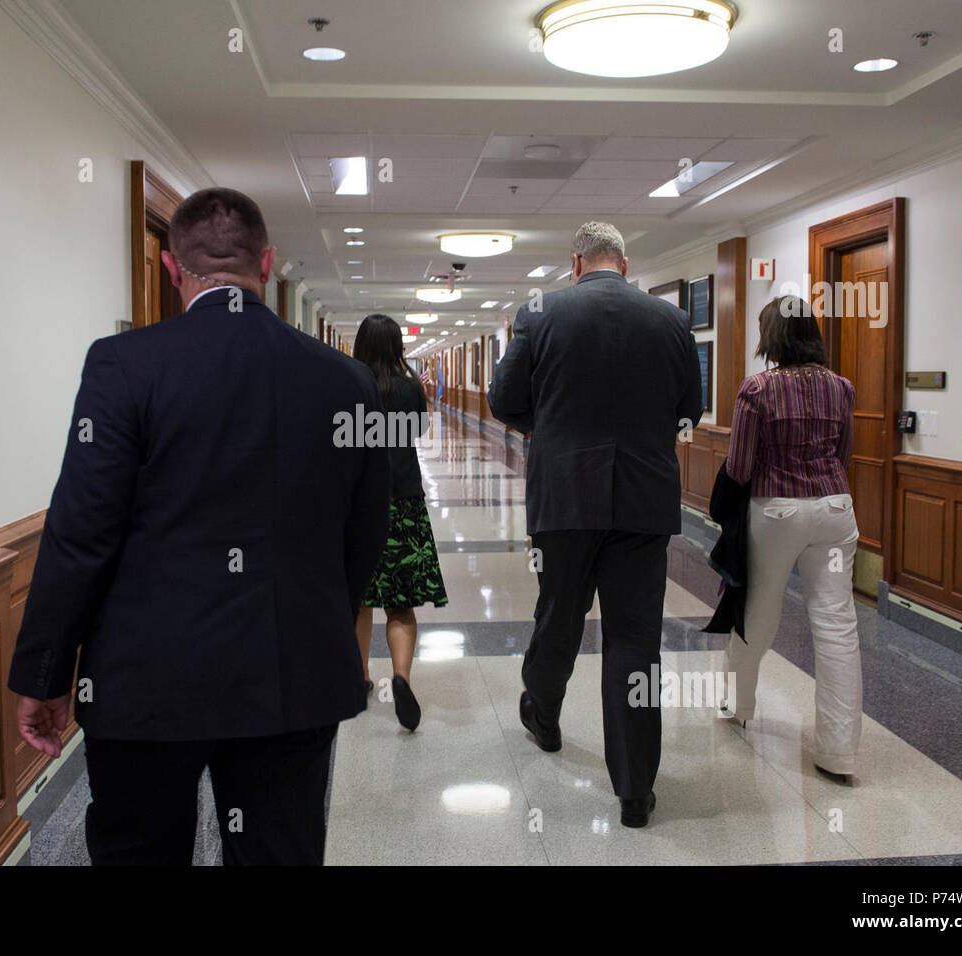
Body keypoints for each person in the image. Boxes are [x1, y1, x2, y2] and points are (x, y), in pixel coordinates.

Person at [7, 187, 391, 865]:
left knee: (139, 851)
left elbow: (81, 531)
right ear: (267, 263)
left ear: (169, 265)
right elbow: (364, 535)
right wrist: (319, 612)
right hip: (291, 673)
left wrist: (46, 671)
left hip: (145, 681)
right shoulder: (345, 381)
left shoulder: (122, 365)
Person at [487, 222, 702, 828]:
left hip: (564, 500)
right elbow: (691, 408)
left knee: (559, 615)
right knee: (636, 640)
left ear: (575, 263)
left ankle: (545, 715)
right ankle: (635, 790)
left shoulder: (540, 314)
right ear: (625, 265)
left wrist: (551, 430)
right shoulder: (672, 321)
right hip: (643, 503)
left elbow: (504, 400)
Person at [720, 295, 861, 782]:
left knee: (758, 610)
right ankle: (838, 753)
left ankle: (738, 705)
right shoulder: (842, 387)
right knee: (837, 625)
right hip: (835, 511)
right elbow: (843, 455)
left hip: (777, 511)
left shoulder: (757, 389)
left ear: (771, 337)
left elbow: (739, 467)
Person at [351, 314, 448, 731]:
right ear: (397, 347)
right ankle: (402, 678)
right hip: (404, 502)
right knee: (400, 603)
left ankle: (360, 679)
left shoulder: (348, 384)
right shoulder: (411, 389)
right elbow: (420, 430)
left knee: (359, 599)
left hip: (358, 505)